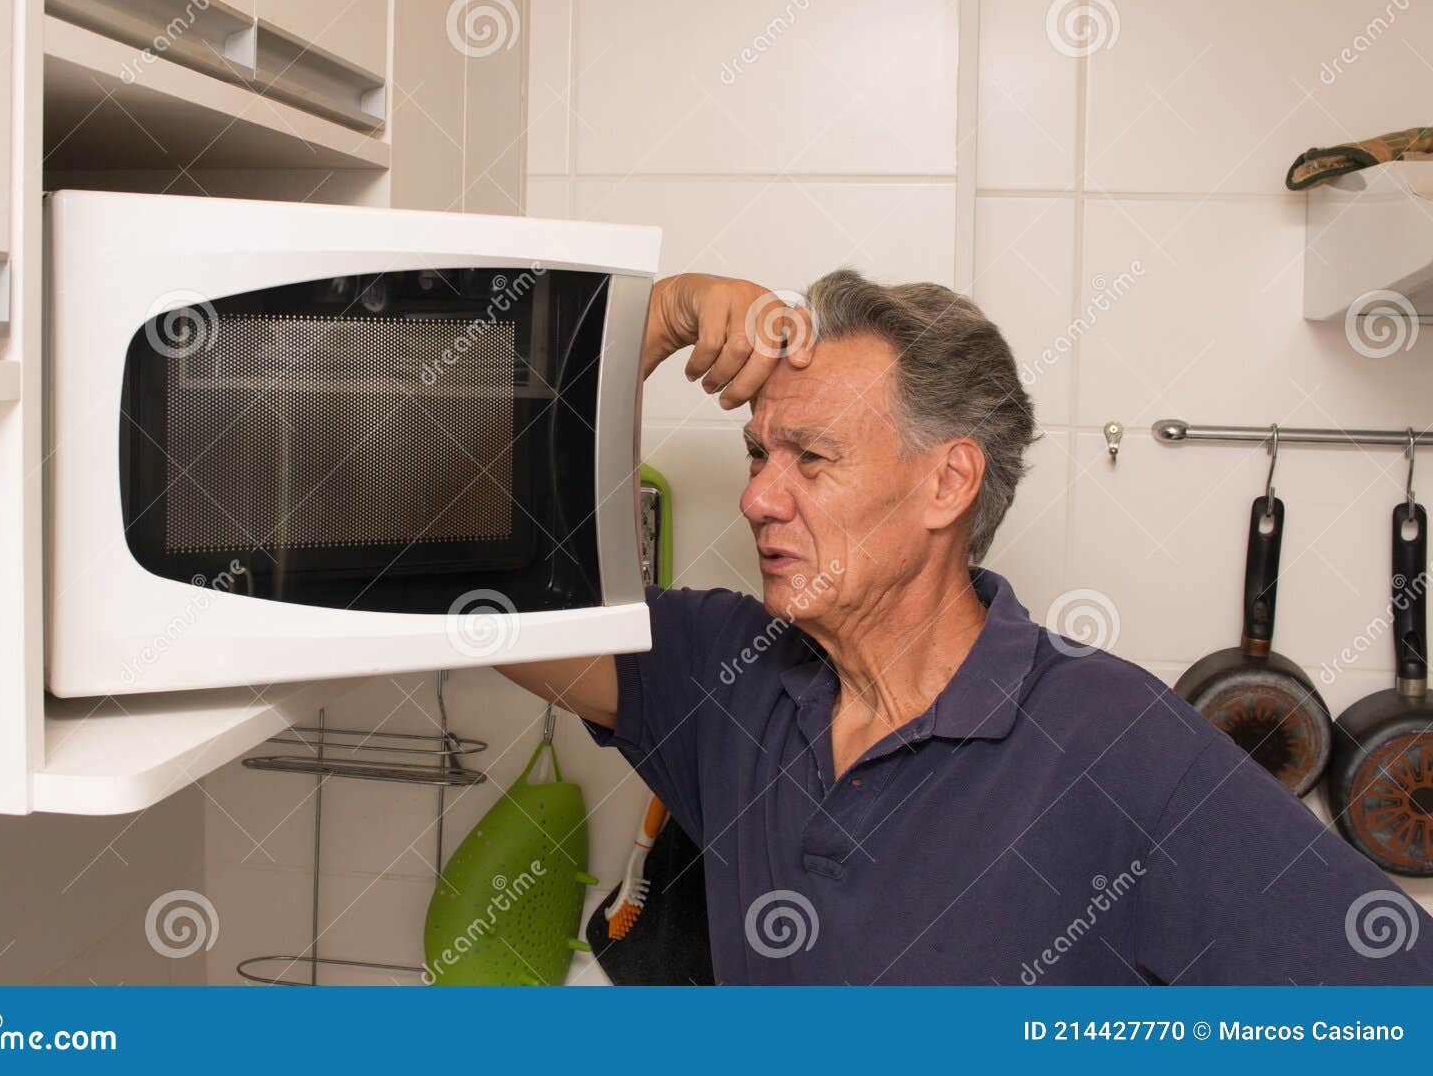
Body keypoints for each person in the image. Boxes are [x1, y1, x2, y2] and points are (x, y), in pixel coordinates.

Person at [499, 270, 1433, 984]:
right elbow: (505, 602)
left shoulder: (1113, 740)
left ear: (947, 483)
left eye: (810, 458)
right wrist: (656, 316)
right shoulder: (729, 674)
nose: (755, 496)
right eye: (757, 453)